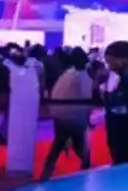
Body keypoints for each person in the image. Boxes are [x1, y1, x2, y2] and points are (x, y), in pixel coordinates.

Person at [40, 48, 94, 181]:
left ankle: (47, 171)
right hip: (75, 116)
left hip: (60, 113)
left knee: (58, 144)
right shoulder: (84, 76)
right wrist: (87, 117)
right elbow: (86, 97)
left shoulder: (67, 74)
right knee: (78, 144)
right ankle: (86, 168)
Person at [3, 46, 43, 176]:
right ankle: (22, 164)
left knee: (19, 133)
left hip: (19, 106)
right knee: (25, 133)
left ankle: (18, 164)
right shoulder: (34, 68)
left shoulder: (16, 68)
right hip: (27, 106)